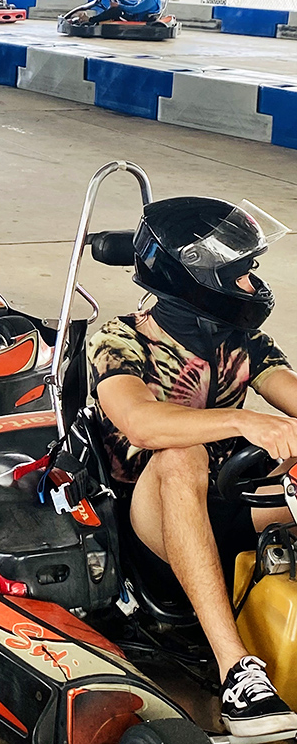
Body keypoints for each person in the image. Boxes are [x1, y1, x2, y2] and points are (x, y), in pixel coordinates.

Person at [87, 196, 297, 737]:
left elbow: (291, 393)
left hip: (234, 504)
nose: (253, 283)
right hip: (151, 525)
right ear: (198, 279)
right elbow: (141, 424)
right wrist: (244, 421)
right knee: (181, 455)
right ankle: (237, 673)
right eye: (241, 272)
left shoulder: (244, 341)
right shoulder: (119, 340)